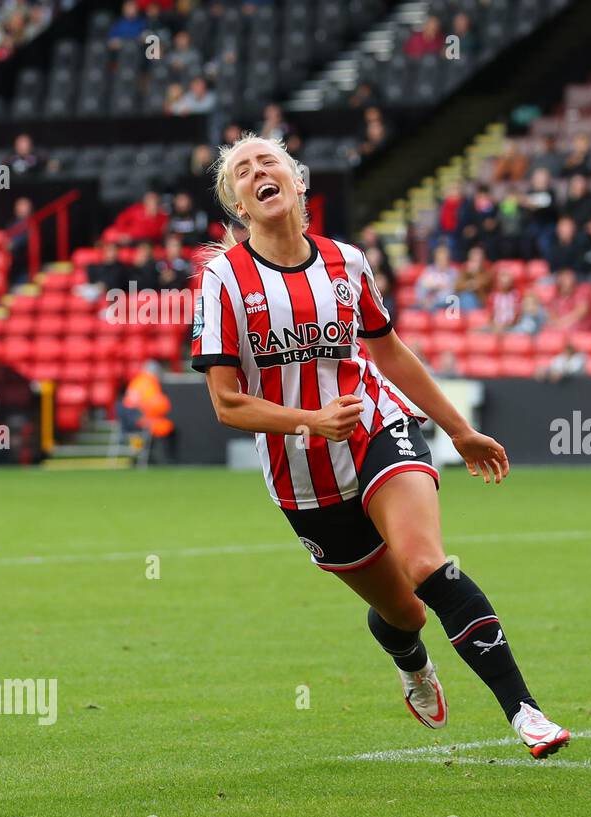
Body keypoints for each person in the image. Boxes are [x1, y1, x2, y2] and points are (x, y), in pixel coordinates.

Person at [191, 133, 569, 757]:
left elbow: (388, 350)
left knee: (426, 564)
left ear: (298, 180)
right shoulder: (224, 283)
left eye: (269, 161)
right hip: (302, 476)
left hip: (376, 427)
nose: (258, 171)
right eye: (242, 170)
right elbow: (227, 403)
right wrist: (311, 420)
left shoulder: (347, 262)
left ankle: (525, 712)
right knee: (406, 613)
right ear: (237, 202)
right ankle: (412, 662)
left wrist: (458, 429)